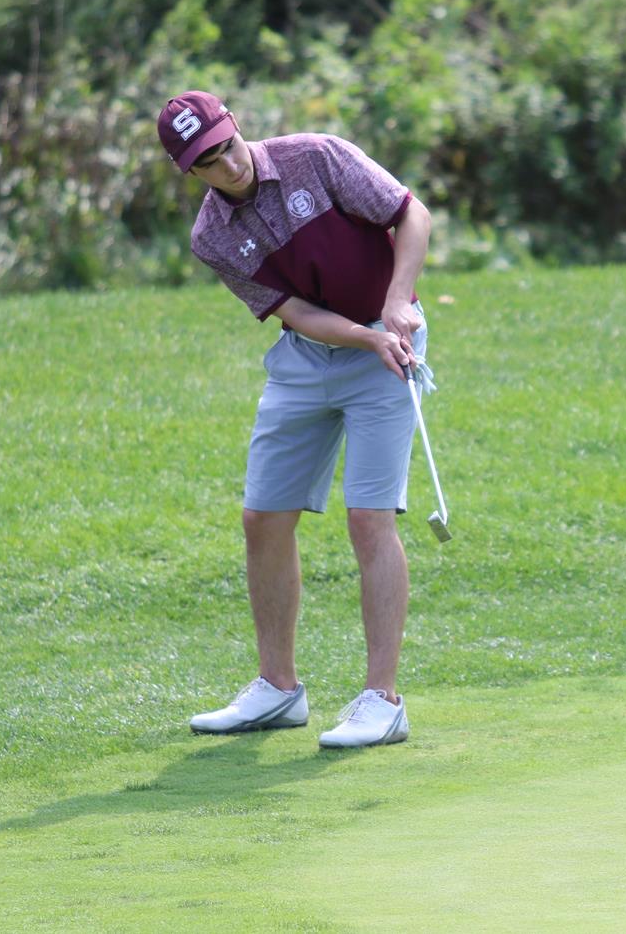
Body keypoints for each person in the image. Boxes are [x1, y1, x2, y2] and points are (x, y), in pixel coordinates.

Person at [156, 90, 434, 749]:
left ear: (236, 127)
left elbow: (410, 213)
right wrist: (362, 338)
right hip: (310, 356)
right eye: (207, 162)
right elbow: (297, 314)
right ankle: (278, 689)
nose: (227, 165)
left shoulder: (317, 158)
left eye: (227, 145)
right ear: (188, 172)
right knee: (264, 516)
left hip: (390, 348)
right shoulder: (212, 237)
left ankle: (382, 699)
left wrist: (396, 304)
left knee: (369, 519)